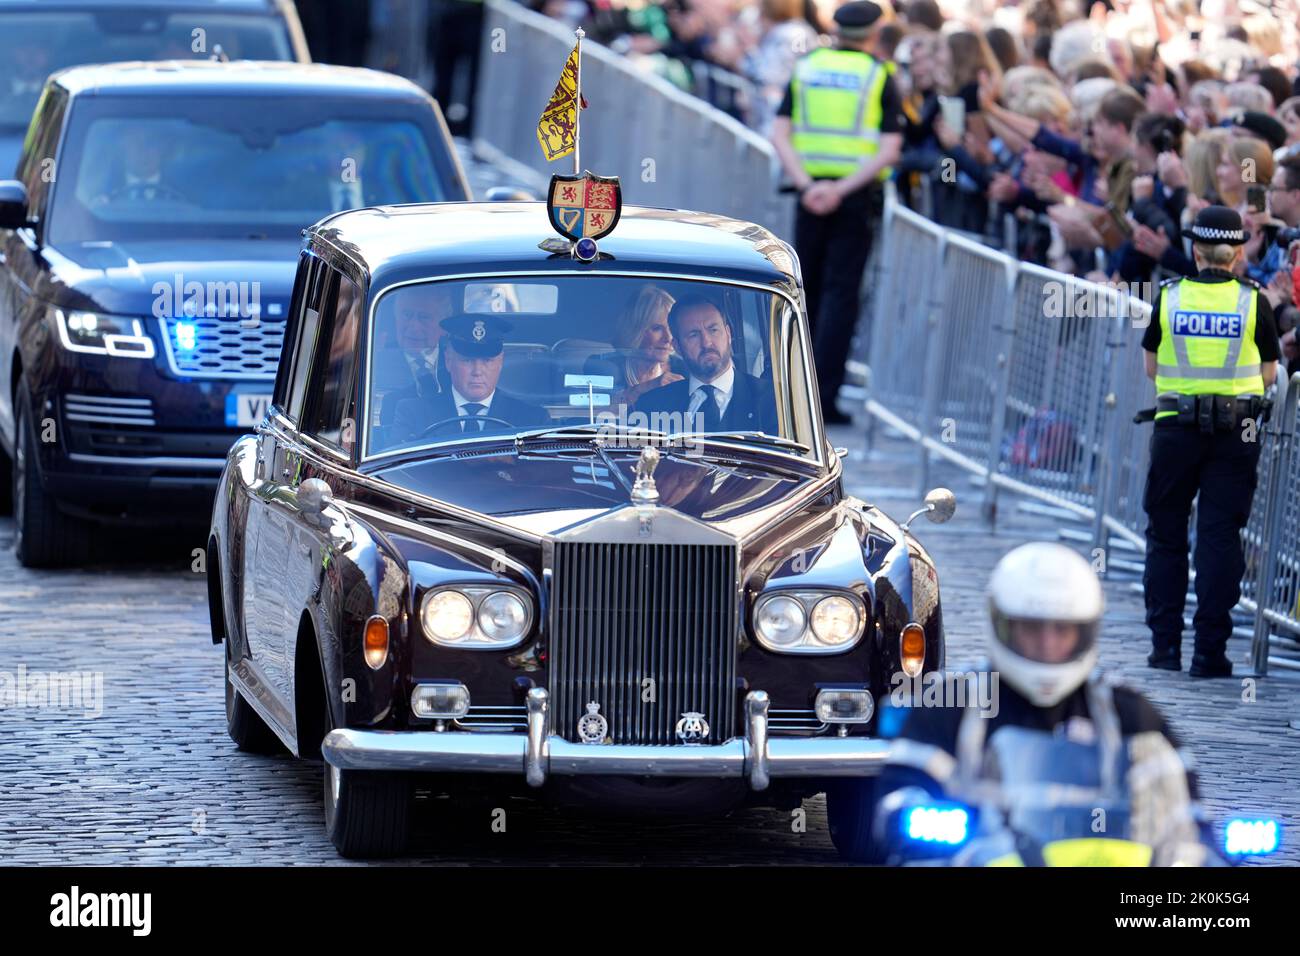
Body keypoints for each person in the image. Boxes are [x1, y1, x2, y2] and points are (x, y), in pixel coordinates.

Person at [834, 543, 1212, 866]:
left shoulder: (1128, 712)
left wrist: (1196, 846)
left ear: (1085, 632)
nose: (1047, 643)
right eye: (1032, 628)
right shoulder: (950, 704)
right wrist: (918, 818)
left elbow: (1185, 810)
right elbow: (898, 798)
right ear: (1003, 626)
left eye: (1061, 630)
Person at [1140, 205, 1280, 678]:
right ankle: (1208, 653)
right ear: (1238, 253)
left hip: (1175, 429)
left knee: (1166, 535)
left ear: (1195, 250)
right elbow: (1268, 373)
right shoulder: (1253, 301)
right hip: (1234, 435)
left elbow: (1152, 366)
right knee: (1219, 539)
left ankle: (1164, 647)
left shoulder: (1169, 296)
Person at [770, 0, 903, 424]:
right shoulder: (879, 74)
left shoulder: (806, 66)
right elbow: (890, 148)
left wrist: (810, 186)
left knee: (799, 292)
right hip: (852, 198)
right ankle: (823, 400)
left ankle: (787, 395)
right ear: (874, 31)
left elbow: (779, 132)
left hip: (809, 197)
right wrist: (840, 190)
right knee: (842, 297)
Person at [634, 295, 775, 434]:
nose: (706, 342)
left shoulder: (773, 401)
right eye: (693, 335)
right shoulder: (652, 406)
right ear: (677, 346)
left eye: (713, 330)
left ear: (728, 334)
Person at [391, 315, 548, 439]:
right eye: (467, 360)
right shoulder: (413, 413)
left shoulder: (532, 420)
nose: (477, 371)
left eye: (487, 361)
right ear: (448, 360)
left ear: (500, 363)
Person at [584, 285, 684, 409]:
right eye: (657, 328)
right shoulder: (603, 366)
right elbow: (599, 413)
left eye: (671, 328)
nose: (668, 338)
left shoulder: (683, 369)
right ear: (636, 330)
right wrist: (649, 386)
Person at [375, 285, 456, 428]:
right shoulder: (375, 365)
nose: (414, 326)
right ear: (396, 318)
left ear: (443, 328)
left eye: (424, 317)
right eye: (406, 315)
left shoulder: (460, 364)